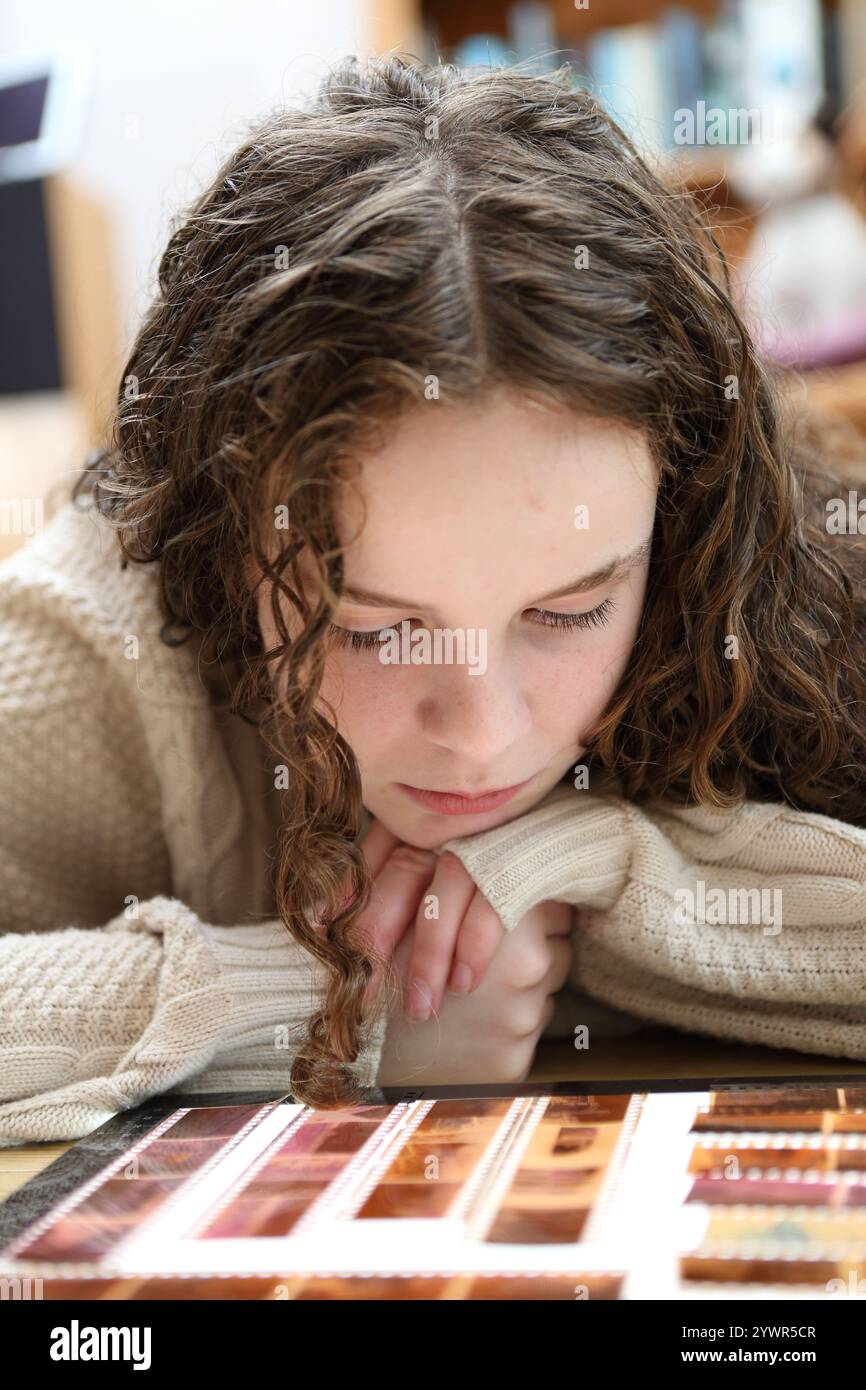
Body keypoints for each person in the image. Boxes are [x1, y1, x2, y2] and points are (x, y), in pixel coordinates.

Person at [2, 55, 866, 1146]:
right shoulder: (91, 649)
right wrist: (339, 1007)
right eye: (371, 626)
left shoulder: (750, 599)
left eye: (565, 612)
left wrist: (588, 863)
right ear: (226, 543)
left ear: (682, 525)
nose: (481, 734)